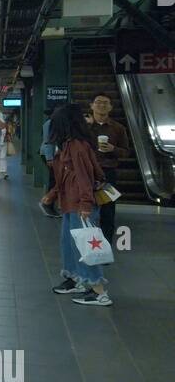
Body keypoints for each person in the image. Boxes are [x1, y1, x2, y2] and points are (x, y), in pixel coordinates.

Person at [42, 104, 112, 306]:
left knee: (85, 247)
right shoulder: (70, 144)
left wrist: (86, 205)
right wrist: (53, 194)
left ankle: (100, 293)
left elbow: (84, 178)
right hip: (70, 204)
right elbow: (66, 176)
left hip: (80, 206)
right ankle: (79, 281)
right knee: (69, 244)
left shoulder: (77, 147)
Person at [87, 92, 129, 244]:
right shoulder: (84, 127)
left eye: (106, 103)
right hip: (87, 173)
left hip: (108, 174)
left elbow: (125, 152)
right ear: (91, 106)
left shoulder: (118, 128)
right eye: (98, 102)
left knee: (108, 210)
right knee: (86, 209)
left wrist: (113, 149)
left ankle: (105, 247)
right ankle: (87, 244)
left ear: (110, 107)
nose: (102, 105)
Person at [38, 108, 61, 217]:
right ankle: (48, 203)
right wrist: (49, 158)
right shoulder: (50, 123)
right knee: (54, 180)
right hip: (50, 154)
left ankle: (50, 203)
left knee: (55, 179)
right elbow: (48, 141)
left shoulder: (54, 122)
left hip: (52, 154)